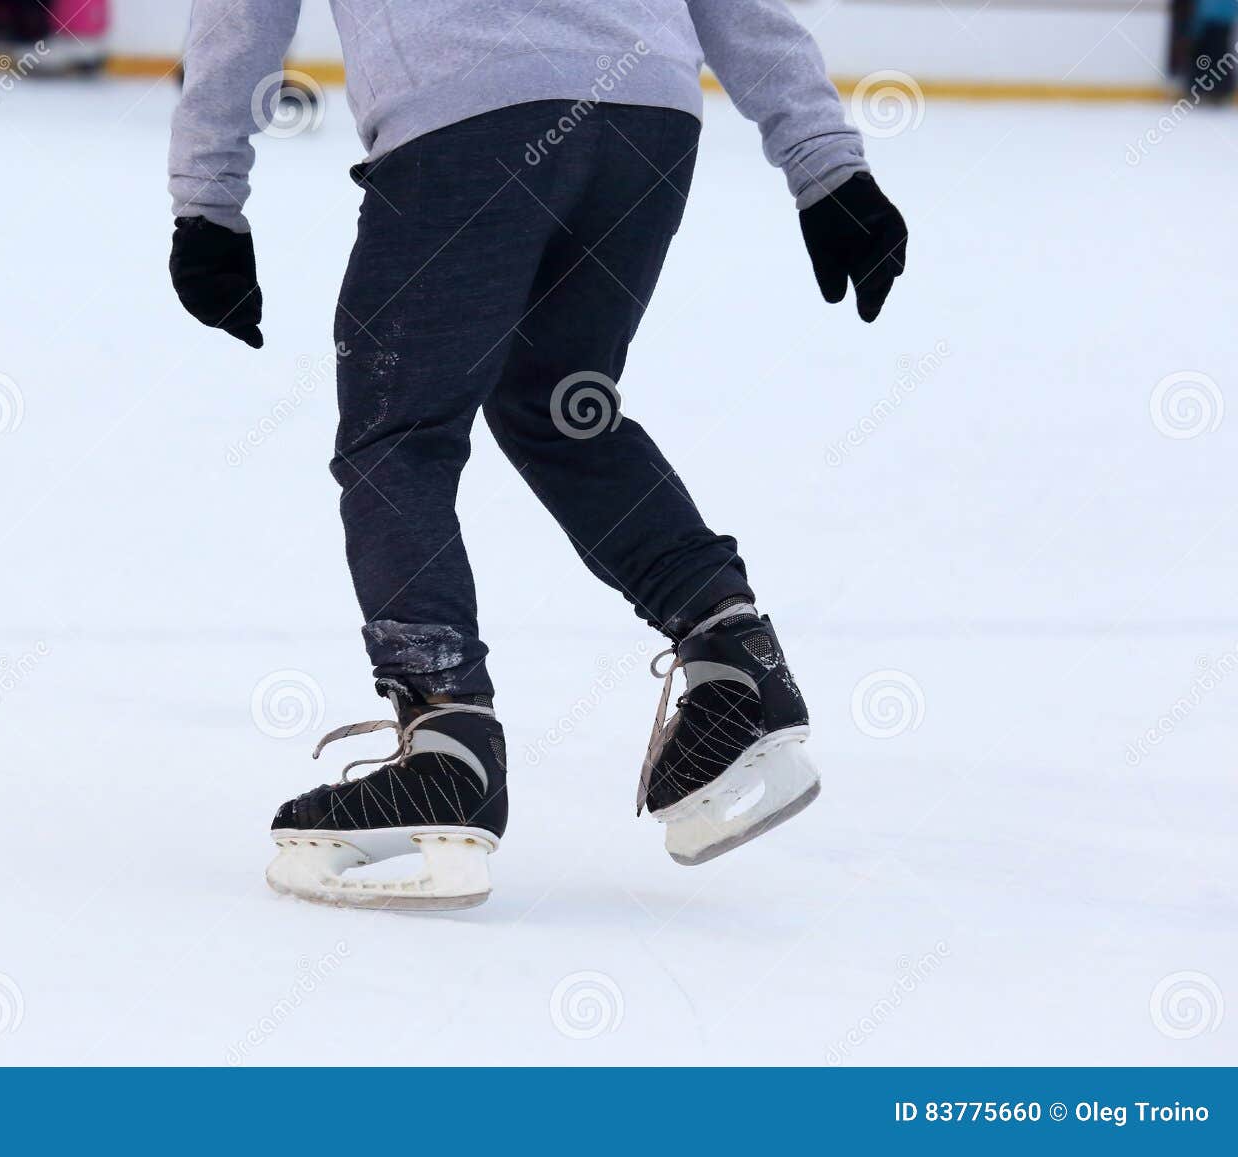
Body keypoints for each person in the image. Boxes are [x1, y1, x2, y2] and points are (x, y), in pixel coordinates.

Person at [167, 0, 907, 910]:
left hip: (465, 117)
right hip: (644, 117)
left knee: (400, 432)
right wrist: (824, 163)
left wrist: (207, 199)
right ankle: (732, 662)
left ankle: (447, 741)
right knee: (564, 408)